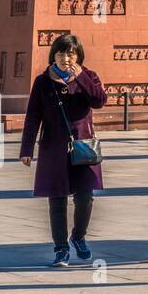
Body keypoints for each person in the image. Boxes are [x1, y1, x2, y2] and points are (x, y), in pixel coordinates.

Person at [18, 34, 106, 267]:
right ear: (53, 56)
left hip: (83, 146)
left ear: (78, 56)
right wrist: (26, 148)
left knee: (85, 197)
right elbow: (33, 116)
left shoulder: (90, 76)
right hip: (53, 148)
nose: (66, 58)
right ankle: (61, 249)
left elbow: (99, 101)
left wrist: (82, 78)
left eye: (71, 54)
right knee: (57, 199)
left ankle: (78, 236)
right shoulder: (43, 81)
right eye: (61, 53)